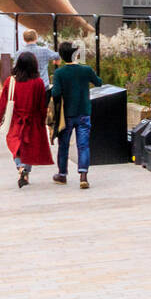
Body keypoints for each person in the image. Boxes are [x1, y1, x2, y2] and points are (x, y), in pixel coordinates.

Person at [0, 51, 53, 188]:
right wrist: (43, 121)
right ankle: (25, 171)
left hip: (15, 120)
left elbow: (3, 103)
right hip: (33, 120)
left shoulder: (10, 81)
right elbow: (41, 104)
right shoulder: (38, 82)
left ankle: (20, 167)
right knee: (28, 147)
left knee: (15, 145)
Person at [51, 41, 103, 189]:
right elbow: (98, 82)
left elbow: (55, 93)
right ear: (76, 54)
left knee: (64, 145)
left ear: (61, 55)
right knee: (83, 145)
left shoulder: (59, 73)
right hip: (84, 112)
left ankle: (62, 174)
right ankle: (83, 176)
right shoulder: (86, 70)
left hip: (66, 115)